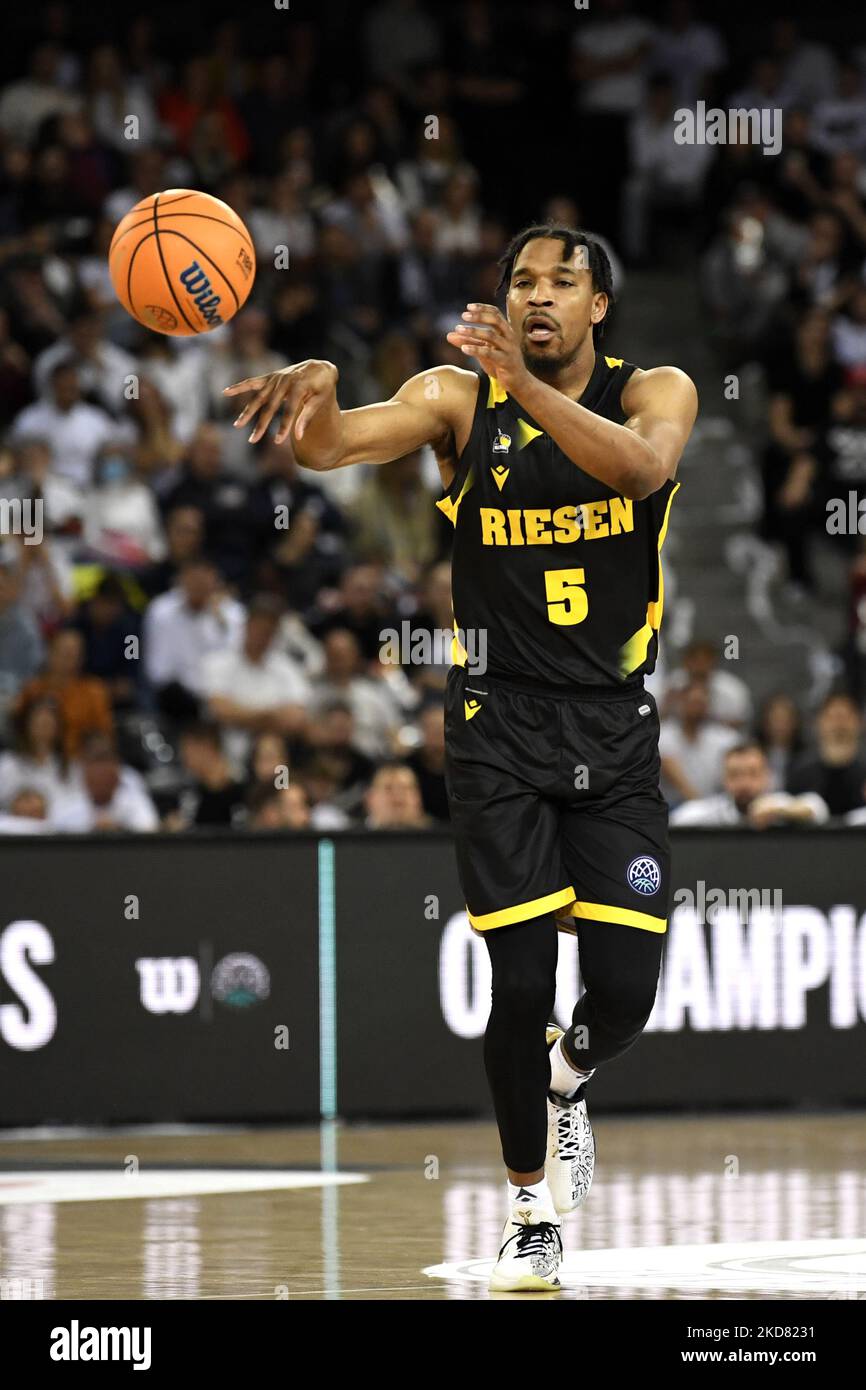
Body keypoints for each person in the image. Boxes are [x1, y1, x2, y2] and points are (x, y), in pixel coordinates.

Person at [225, 221, 698, 1292]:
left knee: (623, 991)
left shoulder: (652, 390)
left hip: (614, 729)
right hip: (496, 729)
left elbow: (639, 472)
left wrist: (519, 389)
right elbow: (330, 448)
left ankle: (567, 1082)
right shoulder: (454, 397)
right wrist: (322, 393)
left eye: (559, 282)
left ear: (597, 309)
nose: (535, 296)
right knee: (520, 974)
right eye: (518, 281)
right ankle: (530, 1208)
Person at [670, 741, 828, 827]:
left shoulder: (777, 804)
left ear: (766, 777)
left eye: (753, 774)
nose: (744, 783)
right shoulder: (712, 812)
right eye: (735, 775)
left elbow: (818, 808)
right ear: (724, 779)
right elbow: (675, 820)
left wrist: (782, 811)